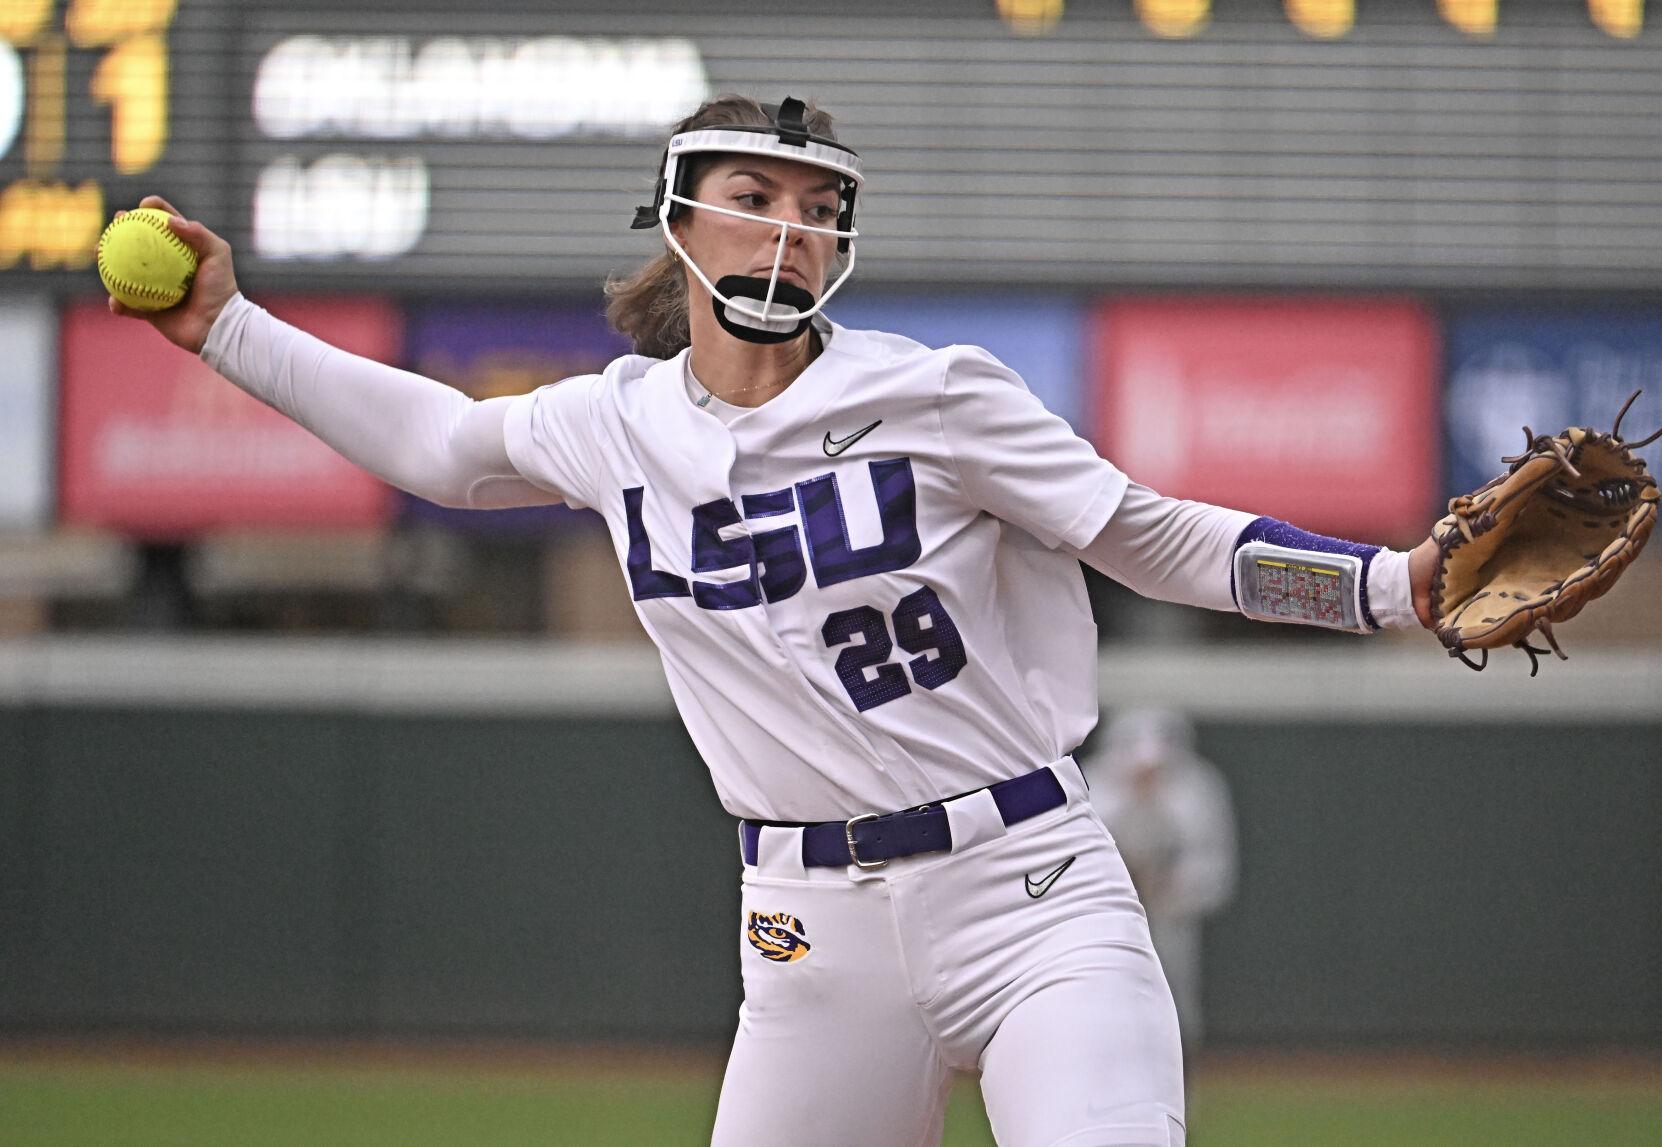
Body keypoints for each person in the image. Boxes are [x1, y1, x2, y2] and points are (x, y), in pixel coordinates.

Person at [113, 94, 1440, 1147]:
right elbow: (440, 444)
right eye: (753, 199)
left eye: (817, 209)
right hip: (806, 934)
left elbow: (1147, 534)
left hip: (1029, 889)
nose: (788, 231)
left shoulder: (934, 394)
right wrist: (227, 328)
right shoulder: (616, 421)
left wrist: (1383, 588)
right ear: (680, 220)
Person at [1086, 709, 1238, 1056]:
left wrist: (1171, 886)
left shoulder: (1198, 791)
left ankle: (1176, 1081)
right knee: (1101, 1000)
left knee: (1173, 1003)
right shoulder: (1091, 787)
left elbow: (1216, 869)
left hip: (1170, 919)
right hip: (1102, 919)